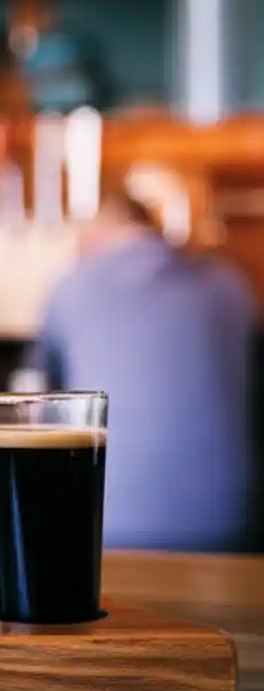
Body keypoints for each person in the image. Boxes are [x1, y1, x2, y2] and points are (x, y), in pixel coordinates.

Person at [34, 177, 256, 552]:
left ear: (98, 231)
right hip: (234, 523)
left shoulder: (72, 285)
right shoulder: (228, 283)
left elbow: (46, 403)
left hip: (109, 527)